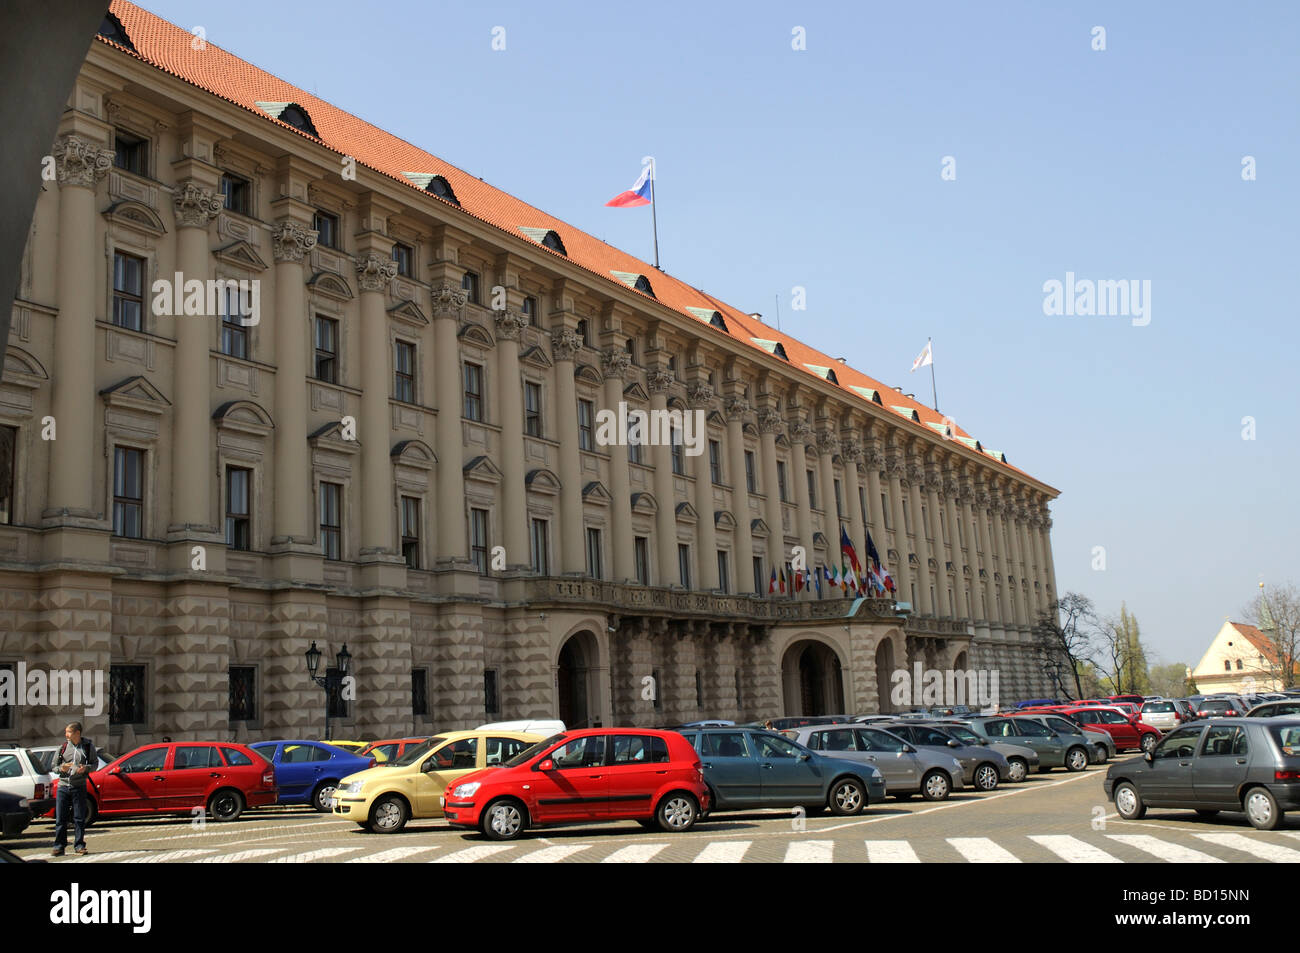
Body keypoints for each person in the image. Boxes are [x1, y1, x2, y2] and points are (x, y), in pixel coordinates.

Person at [51, 722, 97, 857]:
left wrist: (86, 769)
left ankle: (79, 845)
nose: (66, 735)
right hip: (63, 786)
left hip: (79, 786)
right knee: (60, 818)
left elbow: (94, 764)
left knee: (79, 818)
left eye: (69, 732)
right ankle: (59, 846)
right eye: (66, 732)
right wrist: (62, 768)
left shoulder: (88, 747)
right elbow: (54, 766)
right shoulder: (63, 747)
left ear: (77, 733)